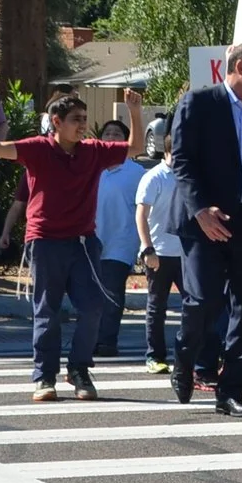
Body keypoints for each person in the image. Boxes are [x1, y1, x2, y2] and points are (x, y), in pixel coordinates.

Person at [0, 88, 144, 403]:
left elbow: (136, 147)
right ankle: (45, 377)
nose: (82, 125)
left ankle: (79, 370)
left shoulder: (94, 151)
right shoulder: (37, 149)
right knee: (47, 310)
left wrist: (134, 111)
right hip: (45, 242)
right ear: (56, 122)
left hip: (84, 243)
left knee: (93, 308)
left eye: (85, 119)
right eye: (76, 119)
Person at [169, 40, 242, 416]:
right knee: (203, 301)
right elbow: (181, 162)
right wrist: (199, 209)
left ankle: (231, 390)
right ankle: (185, 355)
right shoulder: (199, 103)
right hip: (204, 221)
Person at [134, 119, 186, 373]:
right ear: (168, 151)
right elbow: (141, 214)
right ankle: (154, 356)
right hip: (160, 253)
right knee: (157, 307)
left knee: (196, 306)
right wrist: (147, 248)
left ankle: (191, 354)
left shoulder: (189, 177)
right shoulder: (154, 177)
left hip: (187, 254)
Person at [91, 120, 145, 360]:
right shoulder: (90, 166)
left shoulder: (136, 172)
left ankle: (106, 341)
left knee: (112, 293)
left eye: (117, 133)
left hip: (121, 241)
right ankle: (89, 339)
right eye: (107, 133)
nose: (111, 136)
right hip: (89, 239)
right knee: (89, 294)